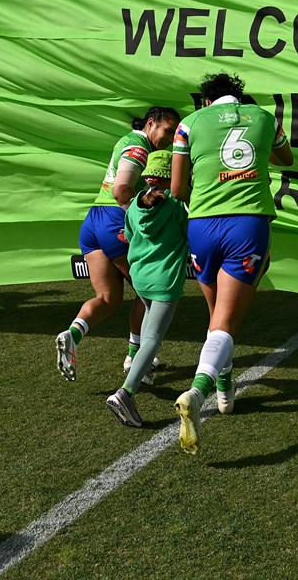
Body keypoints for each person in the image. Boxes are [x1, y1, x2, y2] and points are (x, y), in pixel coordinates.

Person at [170, 73, 293, 455]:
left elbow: (177, 189)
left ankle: (225, 390)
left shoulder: (189, 124)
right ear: (238, 97)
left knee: (215, 318)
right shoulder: (262, 117)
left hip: (202, 225)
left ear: (206, 101)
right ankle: (199, 390)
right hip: (247, 223)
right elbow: (285, 159)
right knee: (225, 322)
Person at [56, 105, 180, 382]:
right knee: (149, 294)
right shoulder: (138, 146)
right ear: (151, 124)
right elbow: (121, 189)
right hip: (115, 220)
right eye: (168, 130)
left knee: (108, 299)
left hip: (93, 222)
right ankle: (136, 359)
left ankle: (73, 333)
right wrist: (138, 213)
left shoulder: (132, 142)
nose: (171, 138)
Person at [105, 150, 189, 428]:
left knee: (148, 332)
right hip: (165, 280)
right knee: (152, 338)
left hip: (140, 277)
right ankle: (126, 393)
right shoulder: (178, 206)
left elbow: (128, 237)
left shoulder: (134, 206)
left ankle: (140, 375)